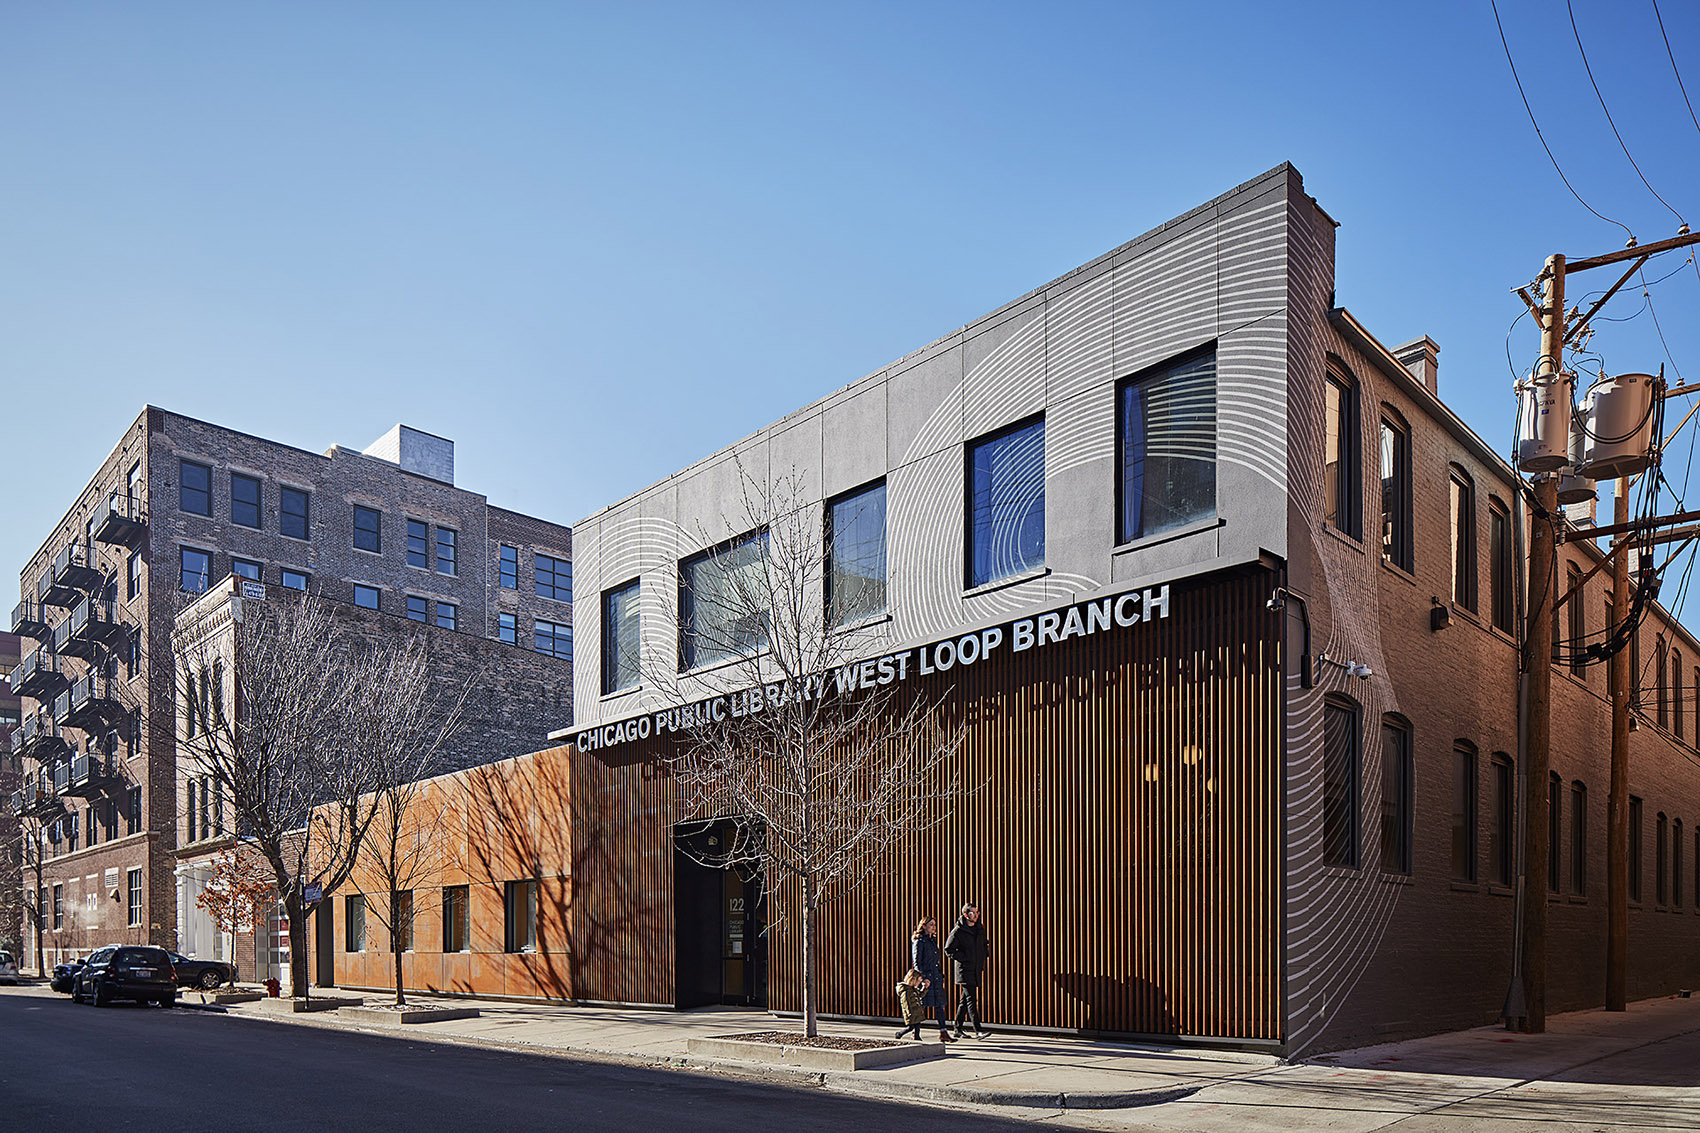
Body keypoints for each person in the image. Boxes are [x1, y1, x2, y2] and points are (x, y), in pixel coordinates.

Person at [944, 902, 989, 1038]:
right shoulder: (958, 930)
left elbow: (983, 944)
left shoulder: (978, 929)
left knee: (965, 1000)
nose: (976, 915)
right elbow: (948, 949)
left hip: (975, 969)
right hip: (964, 970)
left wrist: (984, 953)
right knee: (971, 1000)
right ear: (965, 914)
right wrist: (966, 958)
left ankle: (957, 1028)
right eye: (972, 913)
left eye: (977, 913)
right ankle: (978, 1030)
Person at [910, 917, 955, 1043]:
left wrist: (940, 975)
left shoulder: (932, 941)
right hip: (926, 978)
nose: (934, 927)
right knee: (921, 1006)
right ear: (924, 926)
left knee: (940, 1005)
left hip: (936, 978)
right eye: (931, 924)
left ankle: (943, 1032)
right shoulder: (919, 942)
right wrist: (922, 978)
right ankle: (915, 1032)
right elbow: (916, 962)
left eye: (935, 925)